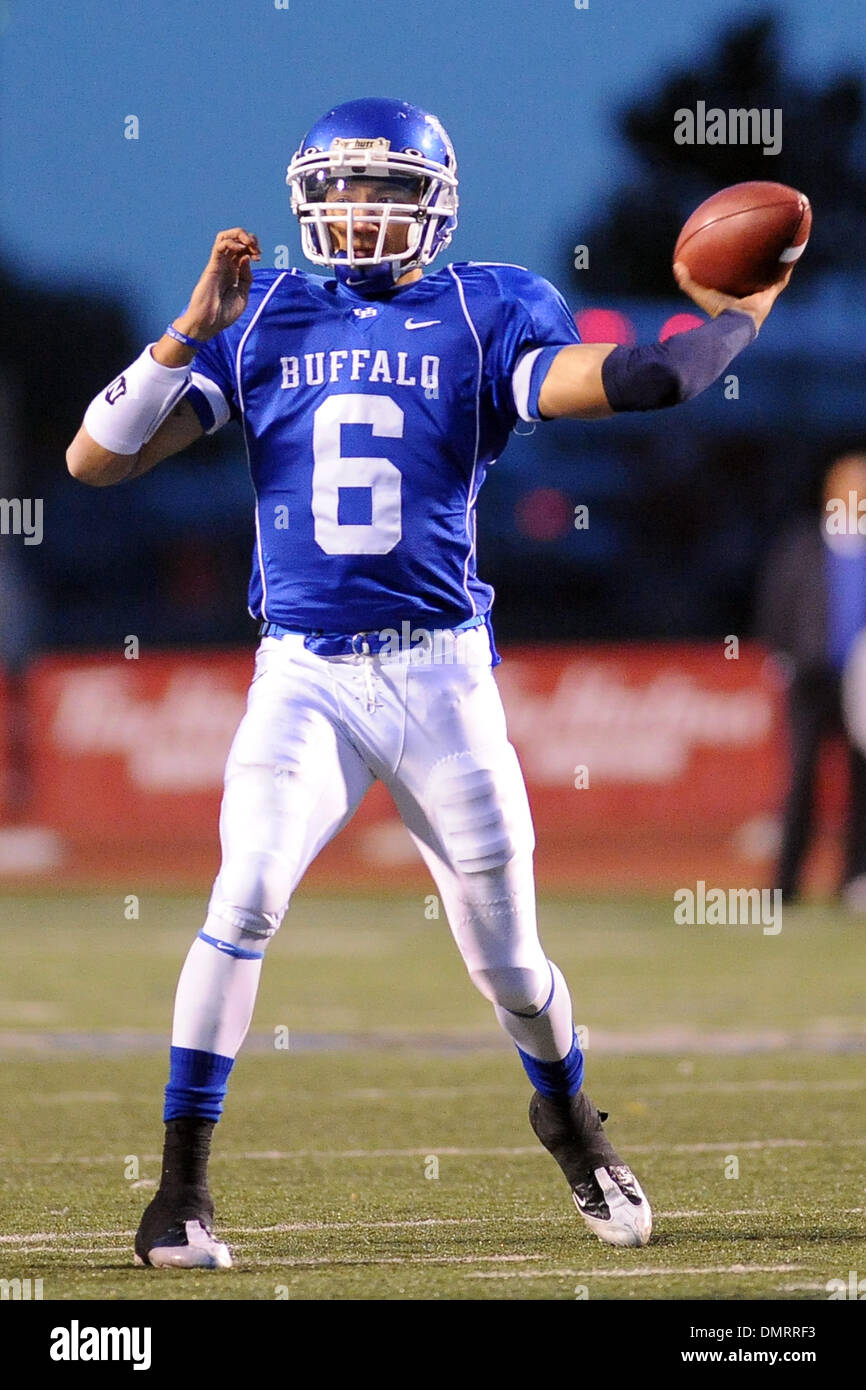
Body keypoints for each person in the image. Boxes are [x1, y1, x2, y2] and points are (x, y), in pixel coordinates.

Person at [67, 98, 791, 1269]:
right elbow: (94, 460)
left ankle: (566, 1117)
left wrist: (740, 314)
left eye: (384, 190)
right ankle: (178, 1191)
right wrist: (180, 331)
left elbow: (650, 381)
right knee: (242, 894)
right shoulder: (260, 317)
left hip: (440, 676)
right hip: (300, 672)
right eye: (339, 188)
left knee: (506, 959)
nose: (356, 212)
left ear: (432, 206)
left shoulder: (486, 306)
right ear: (309, 197)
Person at [757, 451, 866, 904]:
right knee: (802, 779)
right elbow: (777, 602)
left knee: (862, 782)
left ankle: (855, 880)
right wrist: (781, 655)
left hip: (861, 680)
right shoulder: (803, 544)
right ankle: (786, 885)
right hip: (811, 677)